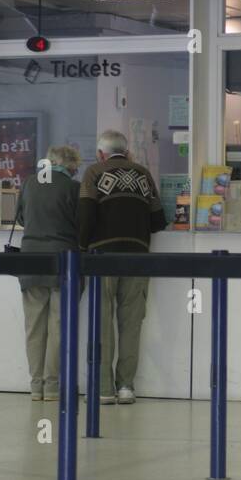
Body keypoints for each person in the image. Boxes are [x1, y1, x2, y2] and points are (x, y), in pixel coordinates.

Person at [78, 129, 167, 405]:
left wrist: (83, 247)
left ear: (101, 154)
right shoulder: (143, 173)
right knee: (131, 323)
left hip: (103, 255)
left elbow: (84, 217)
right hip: (138, 256)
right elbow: (158, 220)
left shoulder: (94, 172)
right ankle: (126, 386)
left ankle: (104, 389)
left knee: (102, 322)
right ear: (127, 152)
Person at [15, 145, 81, 402]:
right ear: (70, 166)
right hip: (62, 260)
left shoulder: (30, 183)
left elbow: (21, 218)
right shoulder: (73, 188)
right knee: (58, 325)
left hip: (30, 259)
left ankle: (35, 386)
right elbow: (81, 224)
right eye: (75, 167)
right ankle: (52, 387)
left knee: (33, 327)